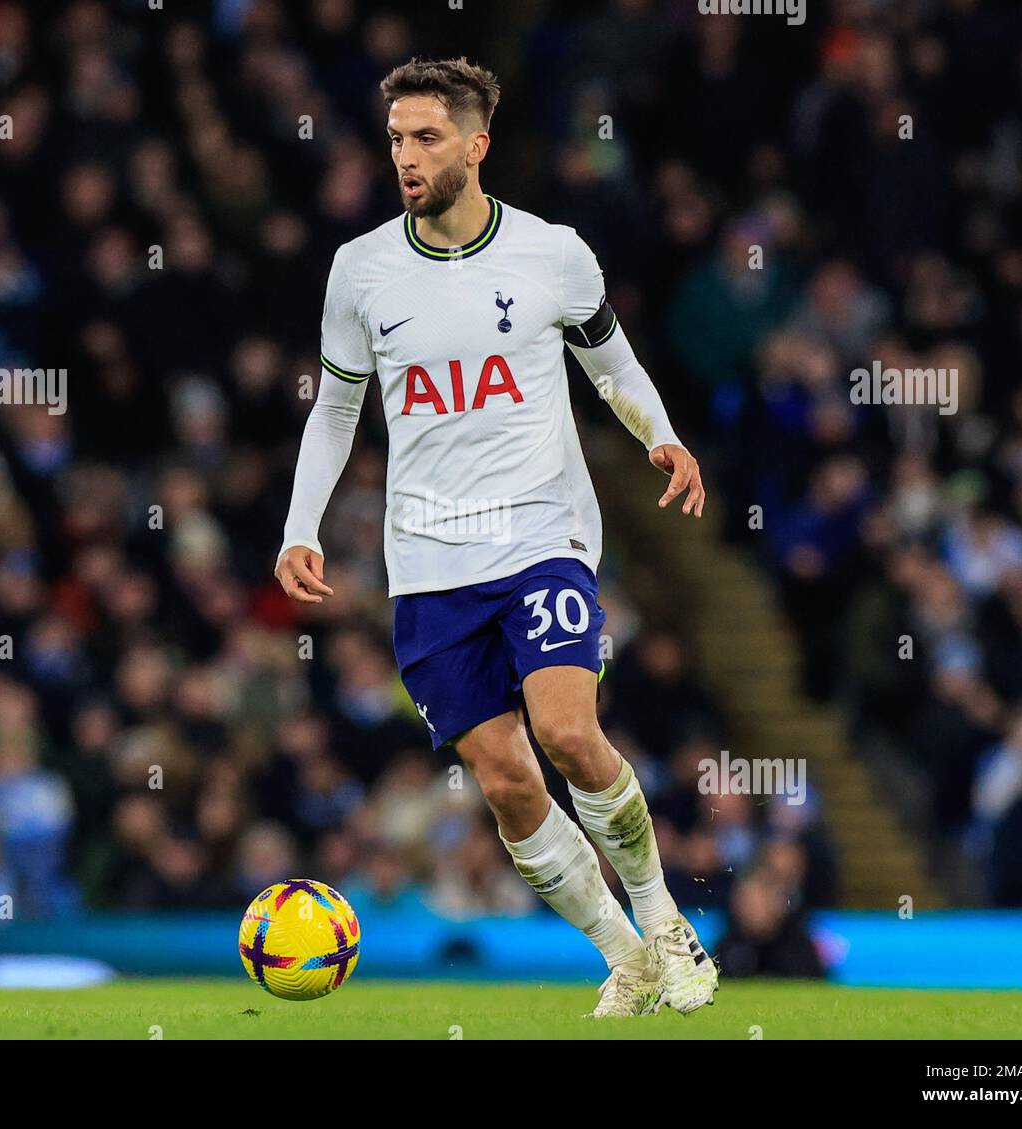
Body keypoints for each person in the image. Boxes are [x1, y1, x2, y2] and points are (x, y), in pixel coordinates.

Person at [275, 57, 713, 1018]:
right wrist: (300, 527)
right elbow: (336, 411)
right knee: (508, 781)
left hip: (540, 535)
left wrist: (663, 434)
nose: (406, 156)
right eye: (396, 138)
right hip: (428, 564)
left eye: (426, 137)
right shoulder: (360, 270)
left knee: (567, 731)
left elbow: (611, 364)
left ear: (476, 145)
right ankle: (624, 956)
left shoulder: (553, 253)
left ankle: (666, 923)